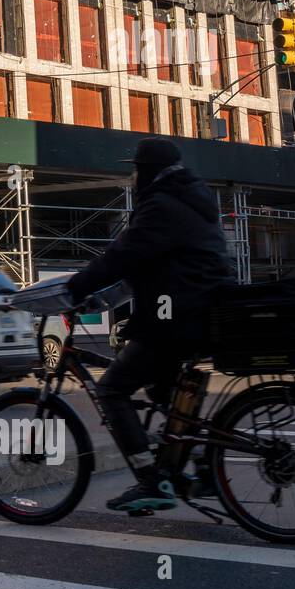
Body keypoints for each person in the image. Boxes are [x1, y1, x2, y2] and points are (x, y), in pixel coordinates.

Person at [67, 137, 232, 513]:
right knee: (165, 395)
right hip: (194, 307)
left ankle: (151, 480)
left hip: (177, 315)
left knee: (112, 390)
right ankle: (197, 469)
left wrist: (75, 287)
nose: (133, 177)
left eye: (137, 170)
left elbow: (122, 256)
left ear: (149, 173)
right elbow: (147, 264)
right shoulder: (191, 199)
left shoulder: (161, 206)